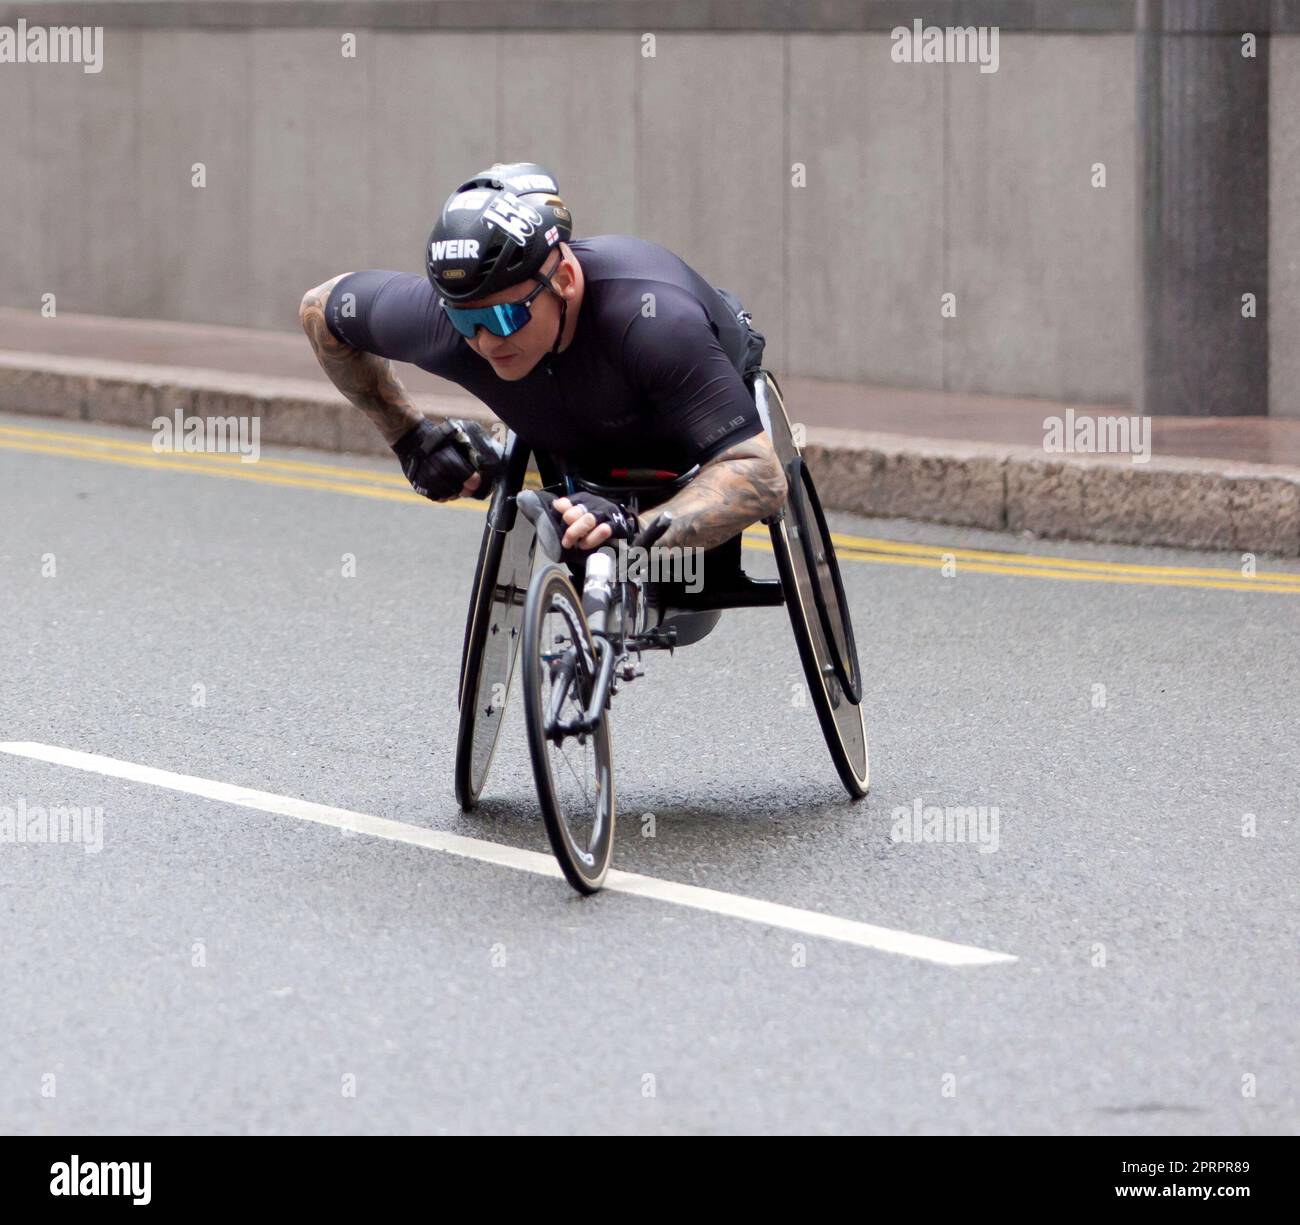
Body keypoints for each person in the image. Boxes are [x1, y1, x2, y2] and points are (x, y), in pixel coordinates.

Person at [298, 161, 785, 557]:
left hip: (687, 429)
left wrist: (637, 529)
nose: (487, 341)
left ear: (565, 281)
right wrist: (409, 435)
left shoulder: (654, 322)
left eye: (508, 317)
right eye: (466, 322)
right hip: (577, 436)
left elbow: (761, 473)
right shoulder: (438, 320)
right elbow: (320, 308)